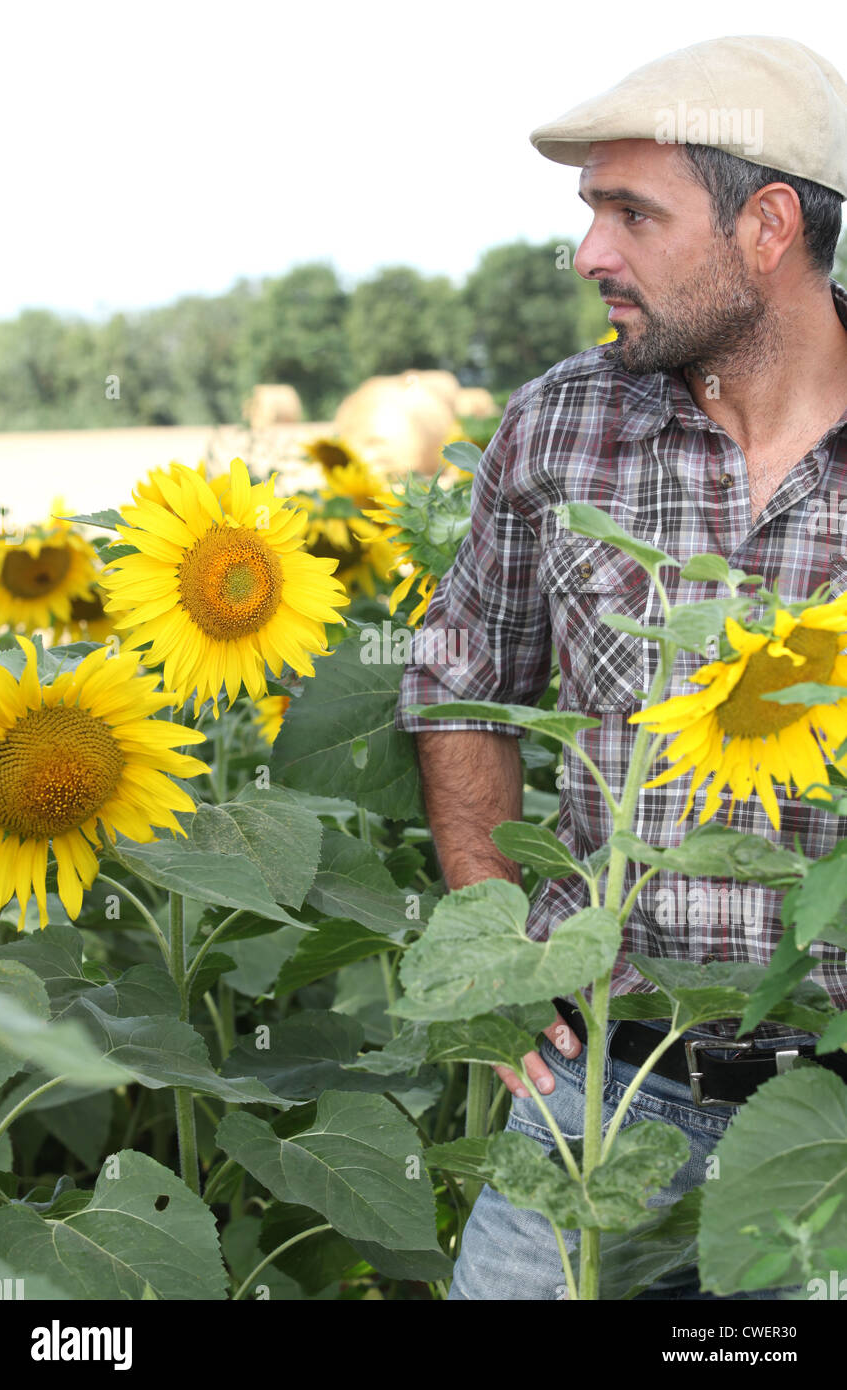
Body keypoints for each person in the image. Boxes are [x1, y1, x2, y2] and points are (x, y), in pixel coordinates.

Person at [393, 35, 847, 1300]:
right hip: (592, 1089)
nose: (588, 252)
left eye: (629, 212)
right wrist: (496, 943)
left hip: (823, 1121)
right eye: (588, 210)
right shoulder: (560, 424)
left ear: (766, 227)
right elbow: (452, 673)